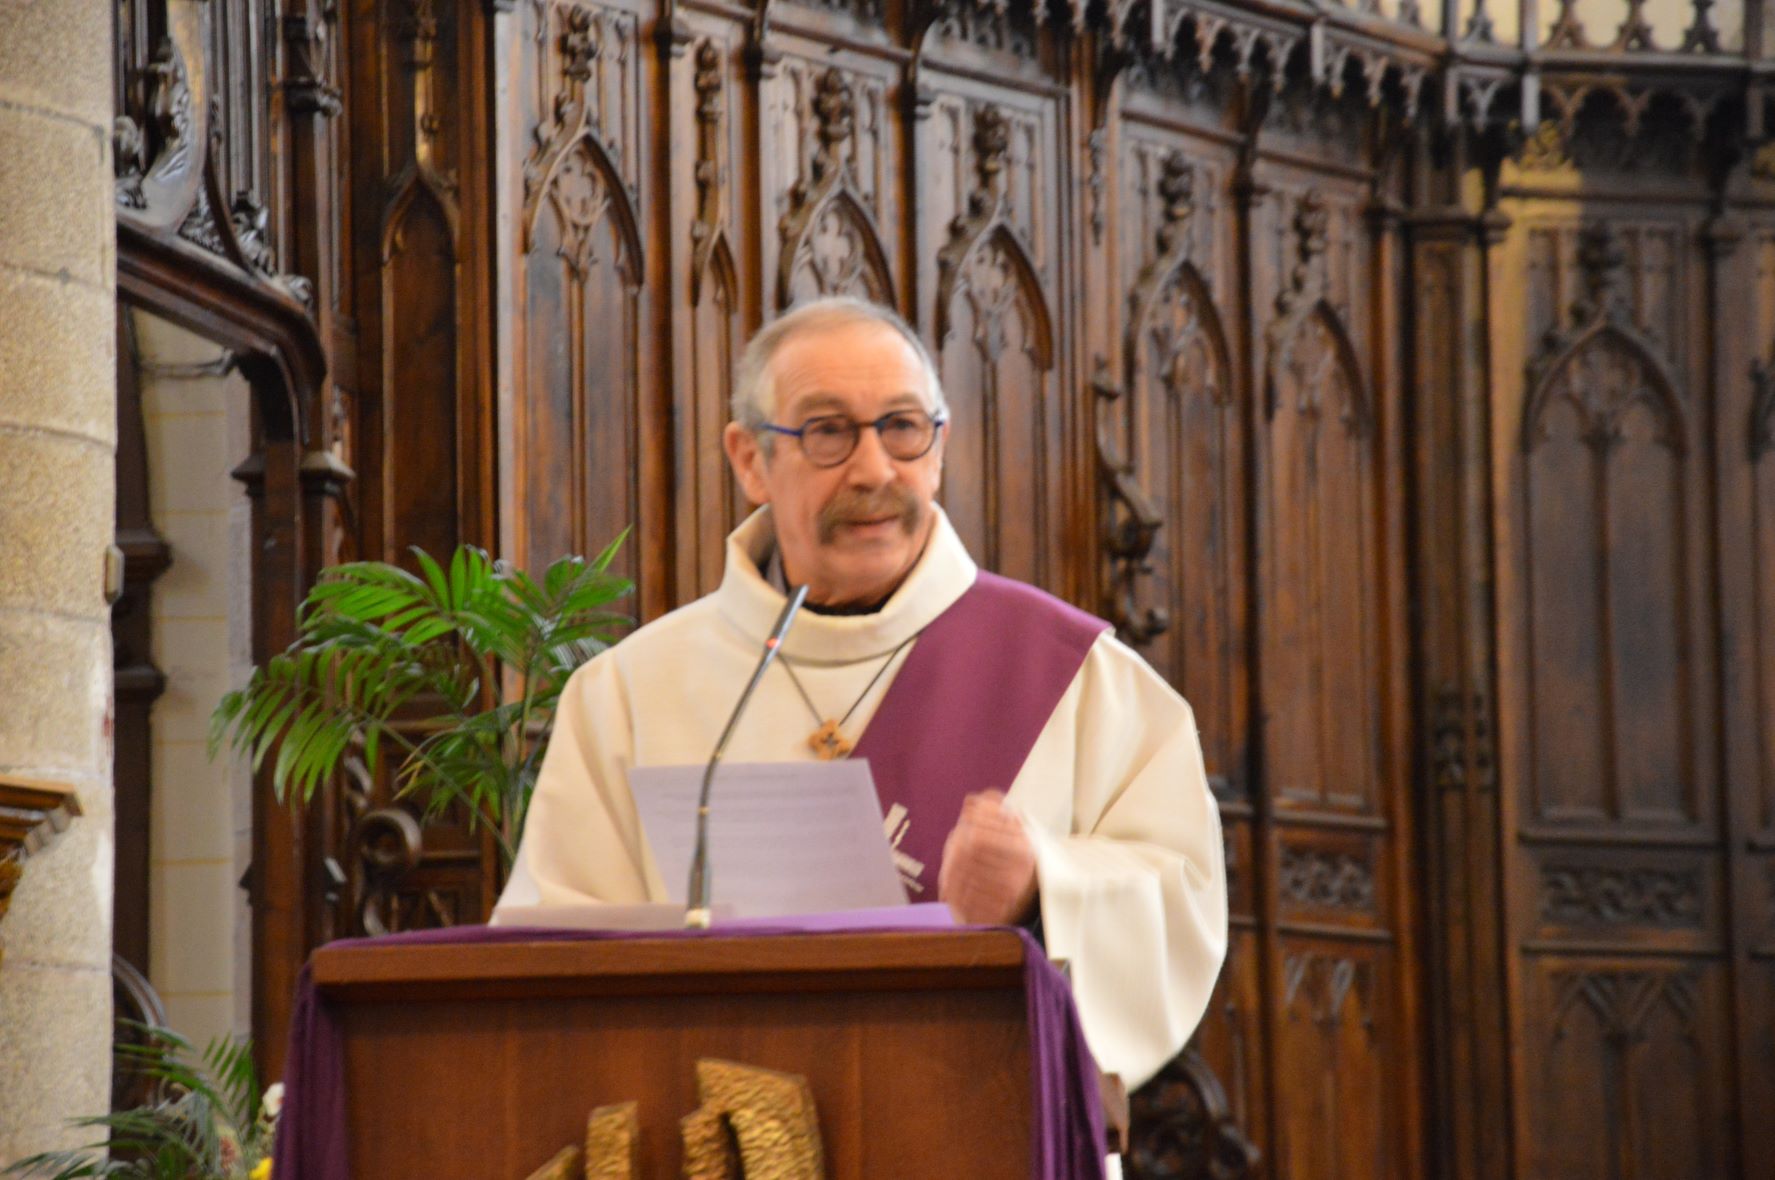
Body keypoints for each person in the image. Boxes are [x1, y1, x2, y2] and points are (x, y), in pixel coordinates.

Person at [495, 296, 1227, 1088]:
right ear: (750, 461)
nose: (874, 470)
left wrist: (1042, 885)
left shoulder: (1077, 674)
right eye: (827, 431)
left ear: (938, 449)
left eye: (903, 428)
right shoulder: (630, 691)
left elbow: (1182, 904)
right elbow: (554, 955)